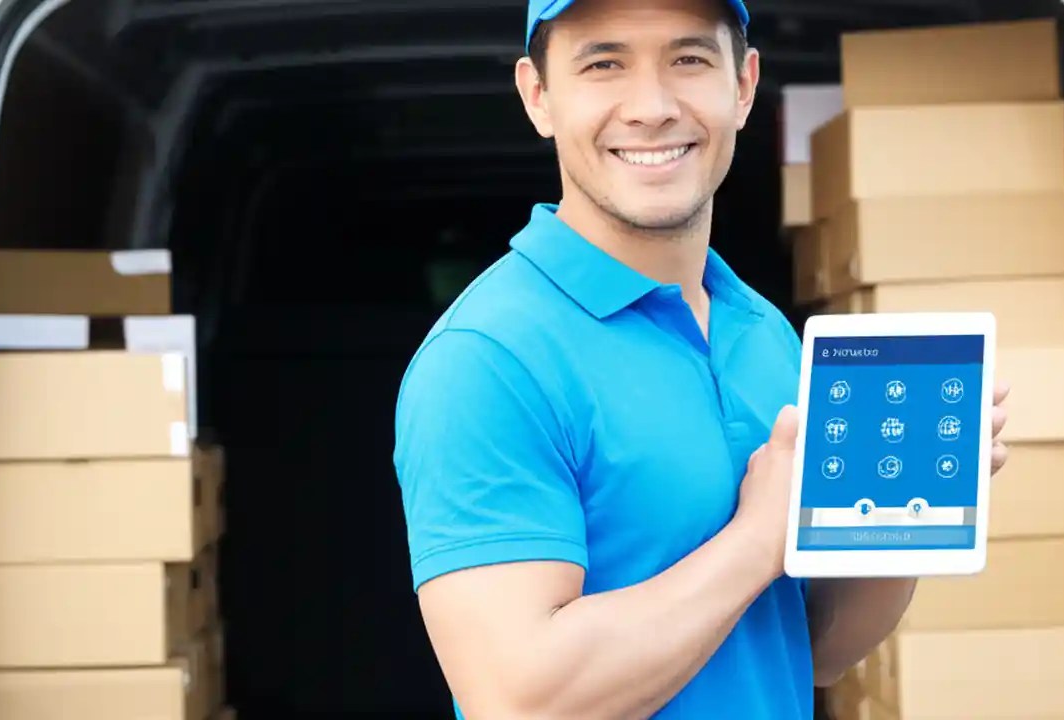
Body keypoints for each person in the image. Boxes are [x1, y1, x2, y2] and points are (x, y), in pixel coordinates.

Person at [392, 0, 1011, 716]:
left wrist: (907, 505)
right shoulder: (488, 362)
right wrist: (758, 539)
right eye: (604, 65)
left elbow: (817, 648)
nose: (652, 107)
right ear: (539, 96)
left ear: (743, 86)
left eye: (689, 60)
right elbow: (521, 700)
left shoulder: (763, 332)